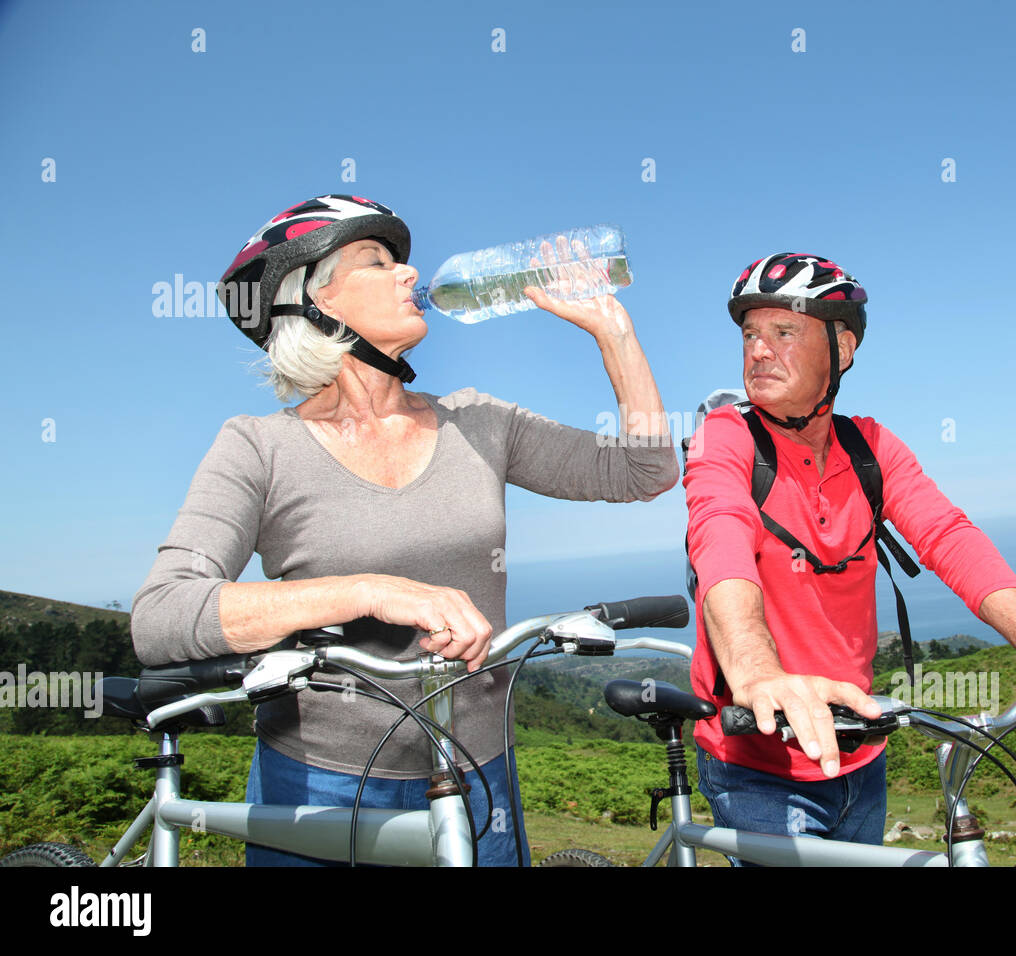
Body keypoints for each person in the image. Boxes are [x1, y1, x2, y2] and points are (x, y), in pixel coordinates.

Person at [131, 194, 677, 866]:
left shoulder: (478, 423)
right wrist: (368, 590)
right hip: (314, 784)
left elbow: (646, 470)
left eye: (403, 261)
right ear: (313, 300)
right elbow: (163, 614)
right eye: (377, 261)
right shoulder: (259, 447)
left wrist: (612, 331)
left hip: (478, 777)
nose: (410, 274)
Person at [684, 252, 1016, 855]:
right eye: (750, 333)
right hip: (757, 764)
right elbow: (721, 544)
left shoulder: (872, 447)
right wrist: (759, 674)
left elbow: (949, 538)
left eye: (784, 332)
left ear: (843, 349)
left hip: (859, 752)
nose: (758, 350)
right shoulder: (724, 439)